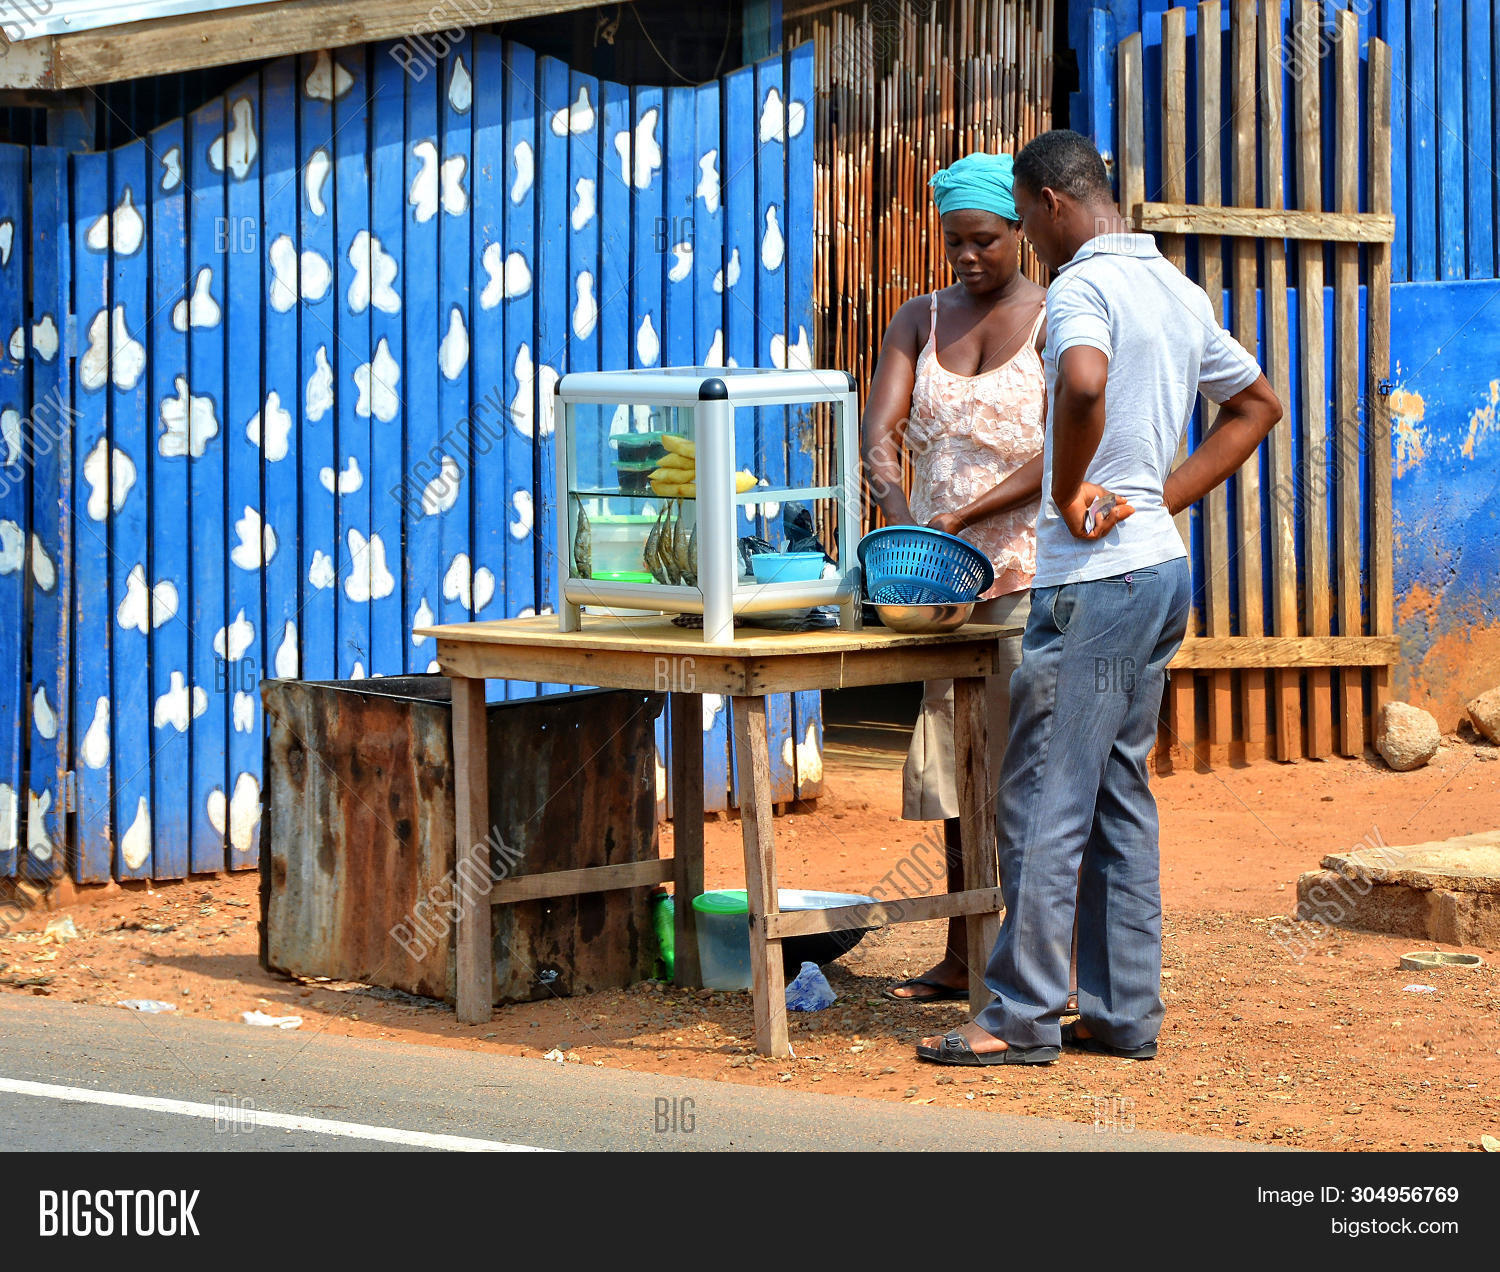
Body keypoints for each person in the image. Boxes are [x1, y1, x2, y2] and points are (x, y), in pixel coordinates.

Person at [916, 129, 1282, 1066]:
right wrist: (1159, 496)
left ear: (1049, 204)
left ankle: (1019, 1016)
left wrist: (1075, 487)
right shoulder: (1176, 288)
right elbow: (1257, 406)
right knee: (1118, 794)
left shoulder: (1081, 287)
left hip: (1091, 584)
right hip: (1158, 572)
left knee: (1043, 797)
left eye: (1023, 219)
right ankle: (1121, 1014)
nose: (1028, 241)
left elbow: (1082, 383)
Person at [860, 151, 1049, 1004]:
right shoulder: (920, 318)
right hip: (939, 589)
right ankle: (965, 951)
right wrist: (901, 512)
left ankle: (1037, 964)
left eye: (985, 240)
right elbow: (880, 431)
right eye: (954, 243)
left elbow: (1068, 451)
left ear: (1020, 230)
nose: (968, 256)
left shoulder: (1053, 318)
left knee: (1025, 774)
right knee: (953, 767)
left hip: (1025, 581)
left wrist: (966, 517)